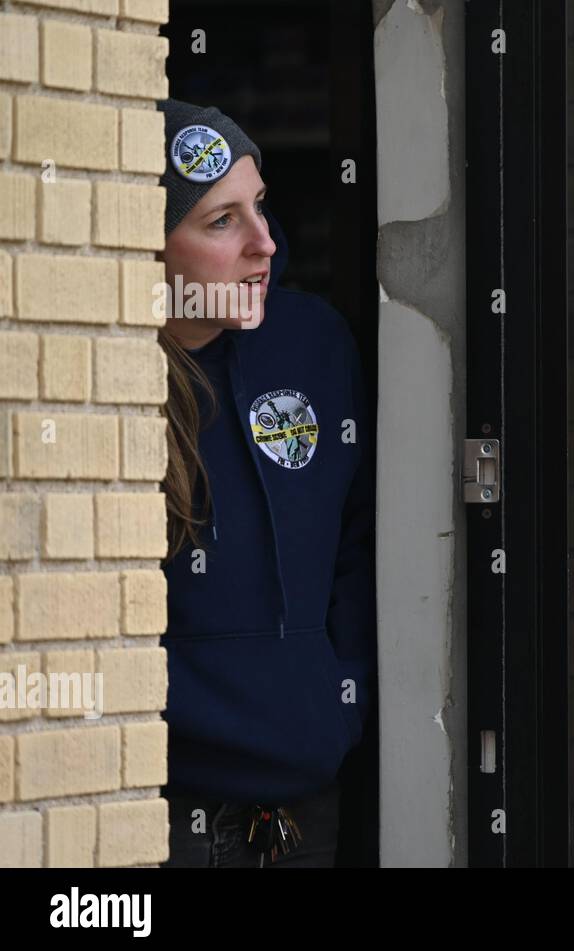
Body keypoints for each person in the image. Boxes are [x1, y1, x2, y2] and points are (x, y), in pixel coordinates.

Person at [153, 99, 376, 867]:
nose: (265, 244)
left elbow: (357, 541)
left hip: (300, 813)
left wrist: (334, 701)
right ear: (153, 253)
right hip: (161, 813)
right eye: (221, 222)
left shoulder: (314, 341)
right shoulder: (106, 380)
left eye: (261, 206)